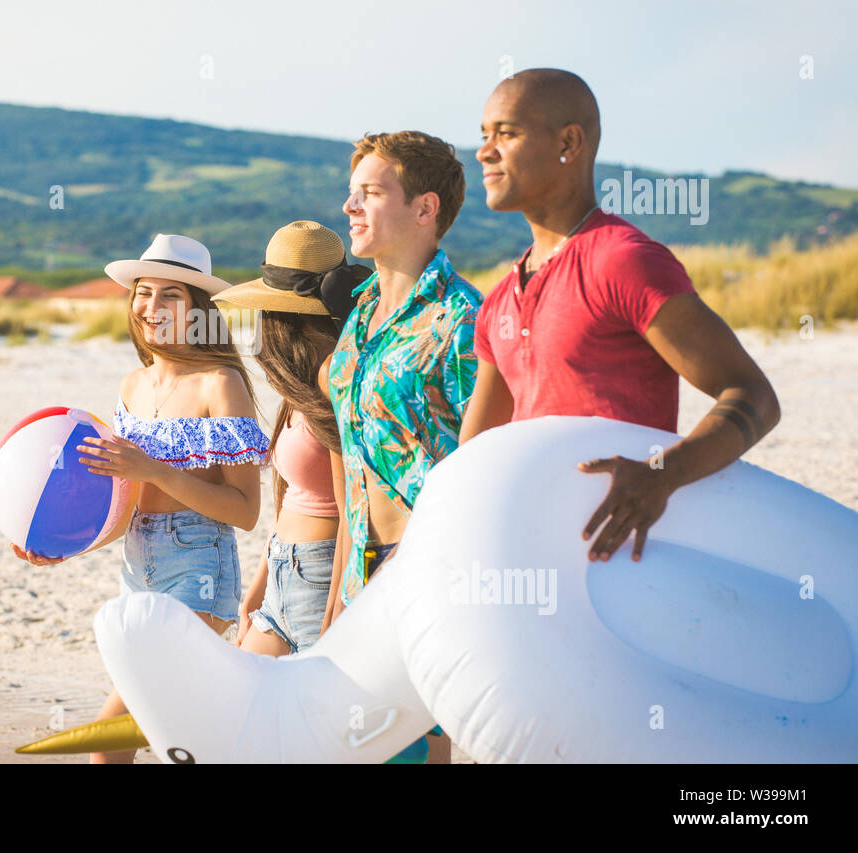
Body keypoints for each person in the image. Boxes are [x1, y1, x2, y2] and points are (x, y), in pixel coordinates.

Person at [460, 68, 780, 561]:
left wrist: (662, 474)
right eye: (485, 135)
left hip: (622, 561)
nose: (484, 151)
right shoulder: (499, 299)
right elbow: (474, 460)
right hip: (529, 558)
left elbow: (753, 396)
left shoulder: (623, 260)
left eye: (507, 133)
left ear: (569, 142)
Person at [13, 233, 267, 764]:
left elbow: (245, 512)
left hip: (198, 566)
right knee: (171, 736)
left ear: (199, 310)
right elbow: (124, 499)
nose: (151, 307)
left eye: (170, 295)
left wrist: (155, 468)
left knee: (115, 737)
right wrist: (64, 545)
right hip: (136, 570)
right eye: (143, 293)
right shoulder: (133, 385)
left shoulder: (221, 385)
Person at [324, 131, 483, 764]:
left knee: (412, 755)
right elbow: (351, 464)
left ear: (426, 208)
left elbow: (489, 466)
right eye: (351, 192)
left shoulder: (463, 320)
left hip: (427, 578)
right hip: (360, 576)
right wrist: (338, 593)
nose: (350, 207)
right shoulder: (357, 316)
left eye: (369, 192)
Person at [211, 221, 370, 656]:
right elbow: (289, 498)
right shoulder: (298, 383)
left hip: (321, 576)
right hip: (284, 566)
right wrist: (260, 585)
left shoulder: (333, 377)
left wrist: (340, 613)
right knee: (241, 710)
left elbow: (353, 514)